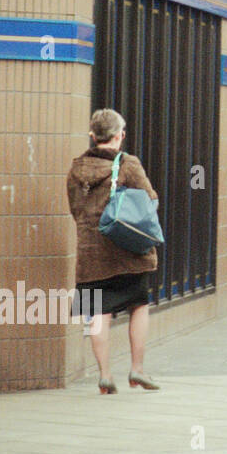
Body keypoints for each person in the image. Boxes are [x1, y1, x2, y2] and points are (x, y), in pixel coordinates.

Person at [66, 108, 160, 393]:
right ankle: (137, 369)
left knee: (98, 313)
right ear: (119, 136)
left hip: (90, 254)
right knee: (139, 306)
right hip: (128, 252)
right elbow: (150, 199)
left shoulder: (76, 169)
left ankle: (105, 376)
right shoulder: (128, 163)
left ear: (93, 136)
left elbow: (75, 209)